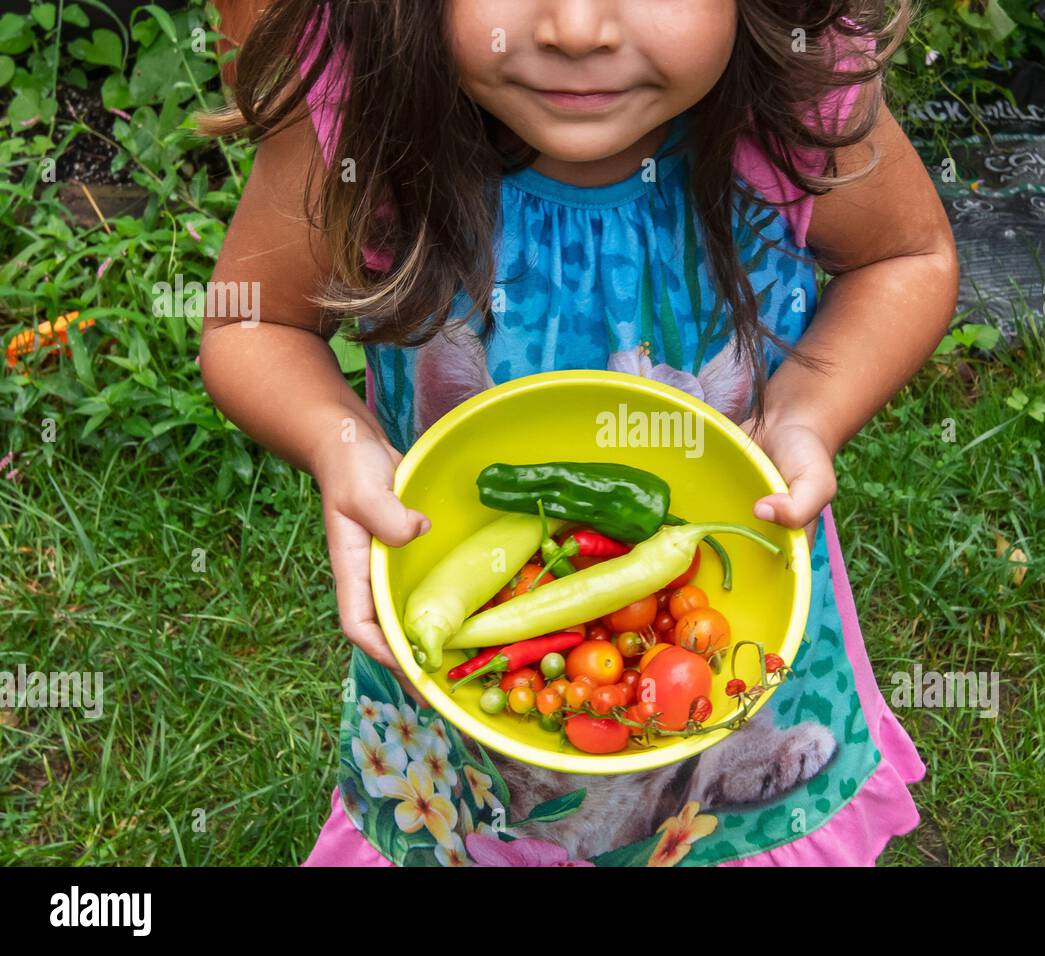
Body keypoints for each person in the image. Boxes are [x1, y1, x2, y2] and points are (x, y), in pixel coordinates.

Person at [199, 0, 955, 867]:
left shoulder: (790, 104)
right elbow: (249, 321)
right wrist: (341, 440)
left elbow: (907, 257)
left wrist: (802, 413)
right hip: (465, 652)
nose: (576, 28)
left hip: (729, 613)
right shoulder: (373, 117)